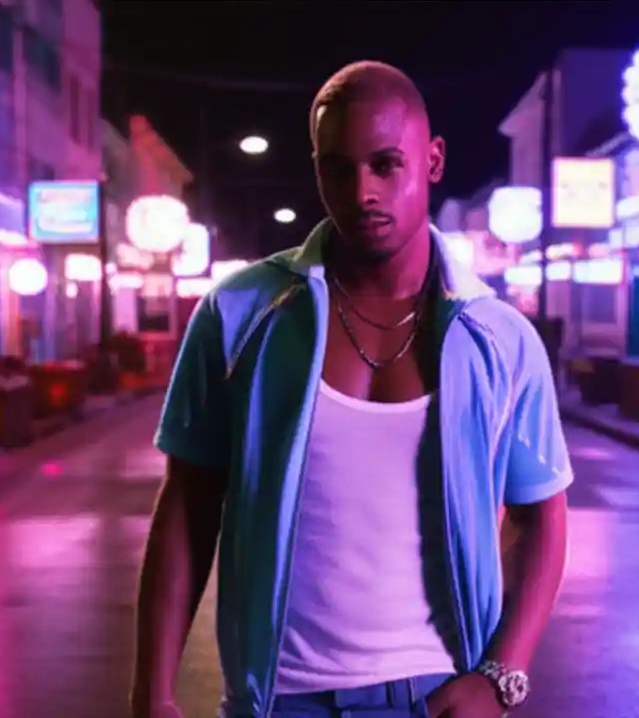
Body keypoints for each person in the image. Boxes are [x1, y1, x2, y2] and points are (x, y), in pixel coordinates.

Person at [133, 60, 572, 718]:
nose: (362, 191)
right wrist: (151, 694)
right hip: (278, 699)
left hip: (436, 694)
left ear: (432, 160)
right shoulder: (239, 313)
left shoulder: (500, 338)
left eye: (386, 165)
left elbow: (541, 515)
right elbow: (188, 504)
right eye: (337, 168)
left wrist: (501, 674)